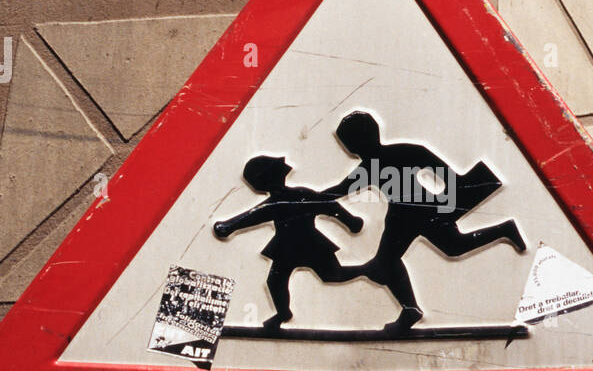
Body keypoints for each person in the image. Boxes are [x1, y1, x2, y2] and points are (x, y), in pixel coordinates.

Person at [324, 111, 526, 332]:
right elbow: (337, 192)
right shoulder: (399, 154)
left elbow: (337, 192)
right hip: (412, 214)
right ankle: (410, 309)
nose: (350, 149)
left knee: (433, 252)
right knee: (436, 251)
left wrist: (447, 207)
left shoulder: (375, 164)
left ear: (356, 144)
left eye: (350, 144)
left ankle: (411, 309)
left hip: (414, 215)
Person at [214, 155, 365, 329]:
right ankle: (283, 313)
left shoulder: (295, 196)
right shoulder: (284, 199)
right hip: (287, 247)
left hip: (309, 244)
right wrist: (229, 226)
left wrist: (350, 221)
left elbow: (330, 206)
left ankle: (367, 270)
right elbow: (252, 216)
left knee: (332, 275)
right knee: (276, 281)